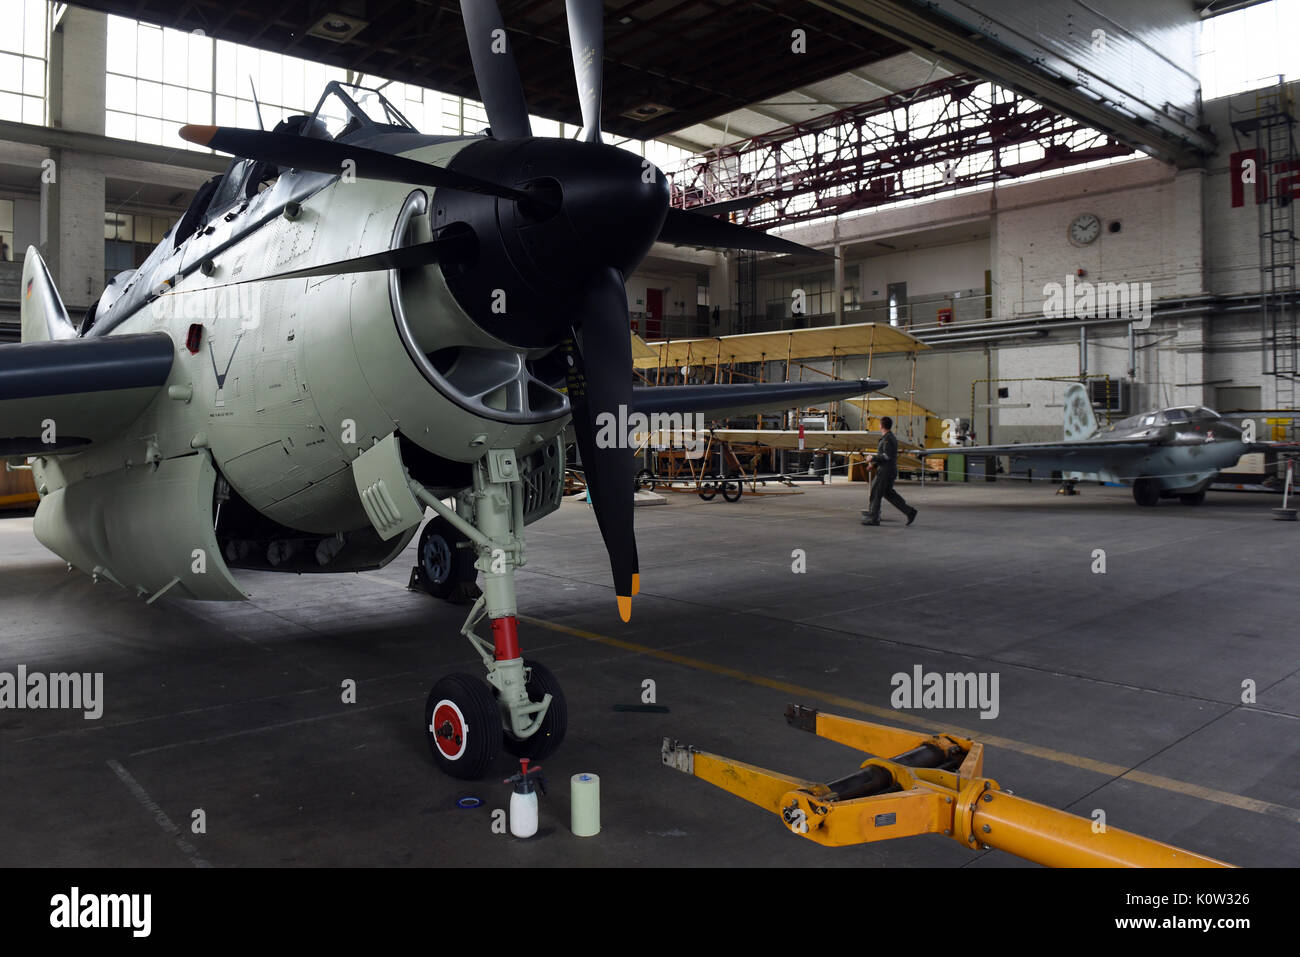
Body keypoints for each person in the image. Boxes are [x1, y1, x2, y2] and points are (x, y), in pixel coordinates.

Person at [862, 416, 917, 526]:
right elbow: (886, 457)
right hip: (887, 469)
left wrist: (872, 458)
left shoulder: (888, 439)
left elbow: (886, 456)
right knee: (888, 493)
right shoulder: (888, 438)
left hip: (885, 472)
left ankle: (873, 518)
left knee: (876, 492)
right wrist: (874, 465)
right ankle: (909, 511)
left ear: (881, 425)